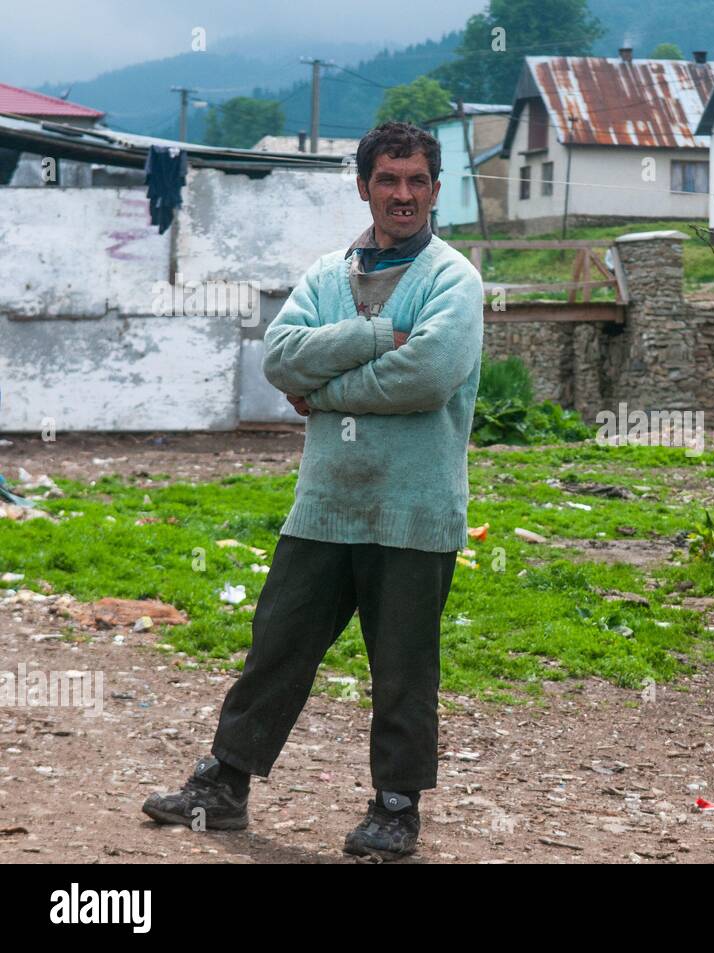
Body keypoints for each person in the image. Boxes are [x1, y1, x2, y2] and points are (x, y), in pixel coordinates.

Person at [142, 121, 484, 861]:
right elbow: (281, 356)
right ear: (364, 185)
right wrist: (374, 335)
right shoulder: (330, 272)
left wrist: (327, 394)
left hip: (414, 509)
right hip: (326, 503)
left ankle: (396, 809)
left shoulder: (455, 279)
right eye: (388, 179)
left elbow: (426, 376)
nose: (403, 194)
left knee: (403, 667)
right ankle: (222, 785)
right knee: (278, 646)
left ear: (433, 188)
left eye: (417, 180)